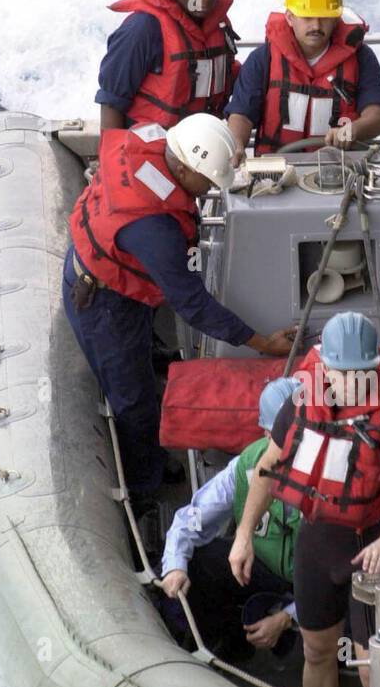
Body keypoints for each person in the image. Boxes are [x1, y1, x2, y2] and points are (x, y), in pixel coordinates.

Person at [63, 114, 294, 500]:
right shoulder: (154, 230)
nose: (207, 191)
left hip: (124, 277)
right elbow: (194, 307)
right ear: (185, 171)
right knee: (133, 404)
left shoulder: (151, 140)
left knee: (142, 363)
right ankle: (146, 487)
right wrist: (264, 344)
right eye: (206, 182)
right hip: (106, 304)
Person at [228, 313, 380, 687]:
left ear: (377, 366)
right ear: (325, 368)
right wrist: (243, 535)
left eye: (363, 373)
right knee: (317, 652)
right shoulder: (301, 403)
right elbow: (268, 469)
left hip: (373, 548)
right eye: (343, 374)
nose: (353, 383)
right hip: (319, 543)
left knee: (375, 665)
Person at [160, 378, 302, 660]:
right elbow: (192, 520)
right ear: (265, 433)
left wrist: (287, 617)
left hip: (319, 578)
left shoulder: (334, 476)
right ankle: (224, 647)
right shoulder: (244, 468)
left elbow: (344, 569)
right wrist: (175, 567)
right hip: (266, 568)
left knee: (349, 612)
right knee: (201, 561)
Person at [225, 0, 380, 158]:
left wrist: (352, 130)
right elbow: (241, 114)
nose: (316, 26)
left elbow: (377, 117)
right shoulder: (263, 59)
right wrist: (236, 145)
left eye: (324, 18)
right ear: (290, 17)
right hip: (275, 171)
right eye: (307, 17)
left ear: (337, 19)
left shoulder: (362, 58)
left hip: (342, 168)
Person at [96, 0, 240, 132]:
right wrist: (114, 158)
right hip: (150, 149)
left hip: (203, 145)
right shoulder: (142, 29)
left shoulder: (219, 24)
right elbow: (111, 100)